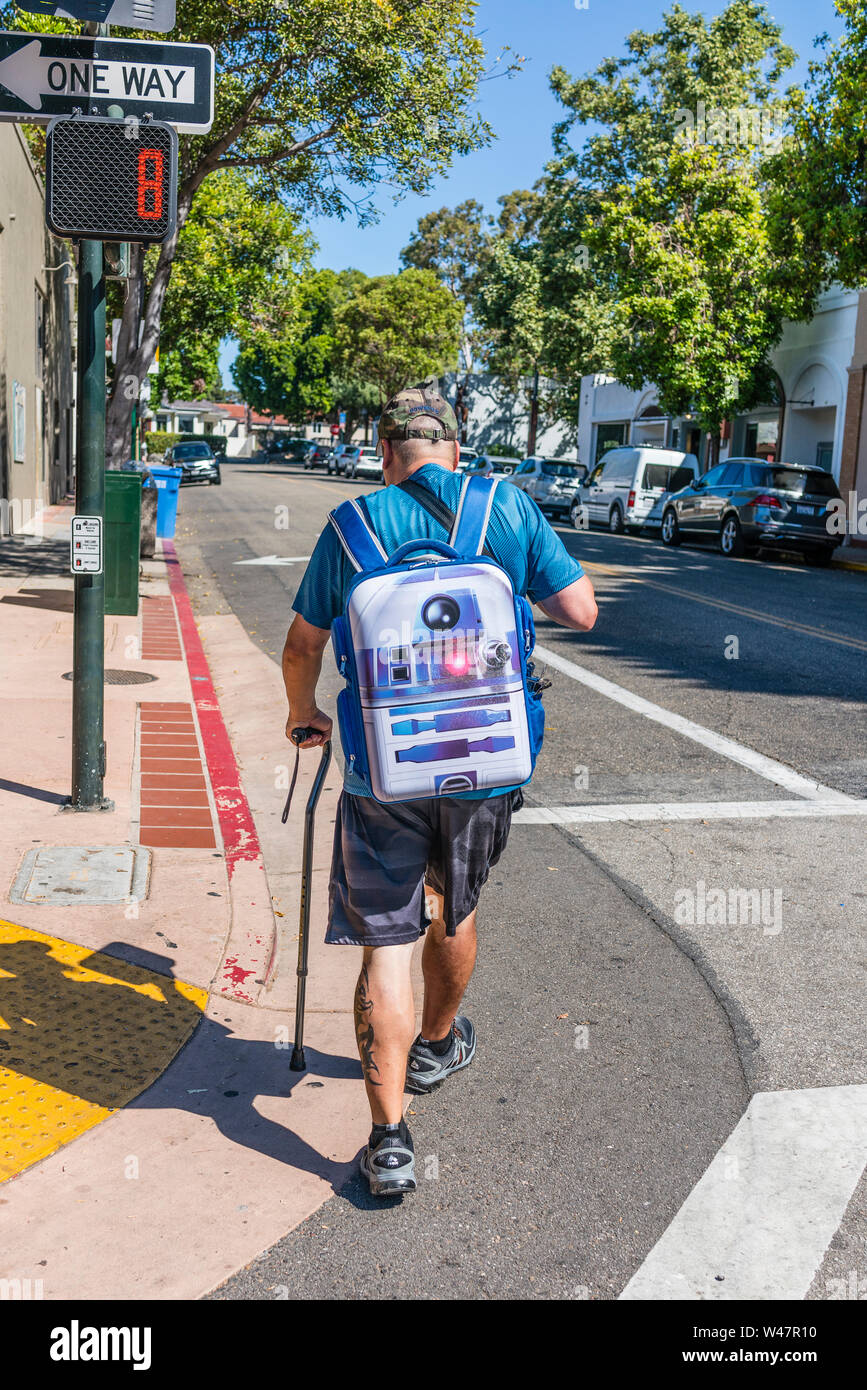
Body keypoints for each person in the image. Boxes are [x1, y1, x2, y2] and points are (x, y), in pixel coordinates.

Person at [282, 386, 597, 1196]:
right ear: (454, 450)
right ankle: (437, 1041)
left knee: (385, 940)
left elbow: (302, 643)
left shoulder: (351, 524)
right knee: (452, 904)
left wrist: (303, 716)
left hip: (381, 769)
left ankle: (388, 1143)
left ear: (387, 453)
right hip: (485, 760)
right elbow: (582, 612)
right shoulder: (508, 506)